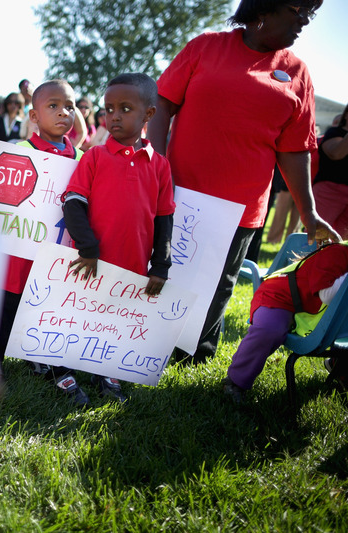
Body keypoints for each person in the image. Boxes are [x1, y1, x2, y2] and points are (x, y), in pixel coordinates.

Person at [146, 0, 341, 365]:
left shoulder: (297, 72)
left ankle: (192, 357)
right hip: (177, 191)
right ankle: (141, 338)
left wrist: (309, 213)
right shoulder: (206, 46)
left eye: (310, 15)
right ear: (264, 9)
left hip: (242, 205)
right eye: (297, 9)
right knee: (162, 268)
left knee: (217, 284)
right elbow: (163, 101)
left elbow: (296, 150)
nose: (304, 21)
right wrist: (156, 164)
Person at [63, 73, 175, 402]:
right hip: (88, 262)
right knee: (78, 317)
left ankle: (109, 372)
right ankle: (60, 365)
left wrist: (161, 266)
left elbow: (164, 218)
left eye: (125, 108)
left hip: (132, 267)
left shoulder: (161, 167)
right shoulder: (94, 157)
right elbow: (73, 204)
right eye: (109, 108)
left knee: (116, 322)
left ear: (149, 115)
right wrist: (88, 246)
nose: (114, 115)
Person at [0, 79, 86, 405]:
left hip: (56, 253)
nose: (63, 112)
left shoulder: (82, 158)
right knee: (8, 305)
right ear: (34, 116)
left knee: (47, 306)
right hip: (18, 252)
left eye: (69, 106)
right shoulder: (17, 151)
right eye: (53, 106)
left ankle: (40, 356)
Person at [222, 242, 348, 402]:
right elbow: (327, 295)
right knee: (269, 331)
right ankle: (235, 381)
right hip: (279, 297)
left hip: (312, 312)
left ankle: (340, 367)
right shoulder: (337, 252)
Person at [312, 102, 348, 238]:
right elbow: (336, 153)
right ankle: (306, 259)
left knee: (342, 242)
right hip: (329, 190)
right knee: (315, 235)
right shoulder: (334, 133)